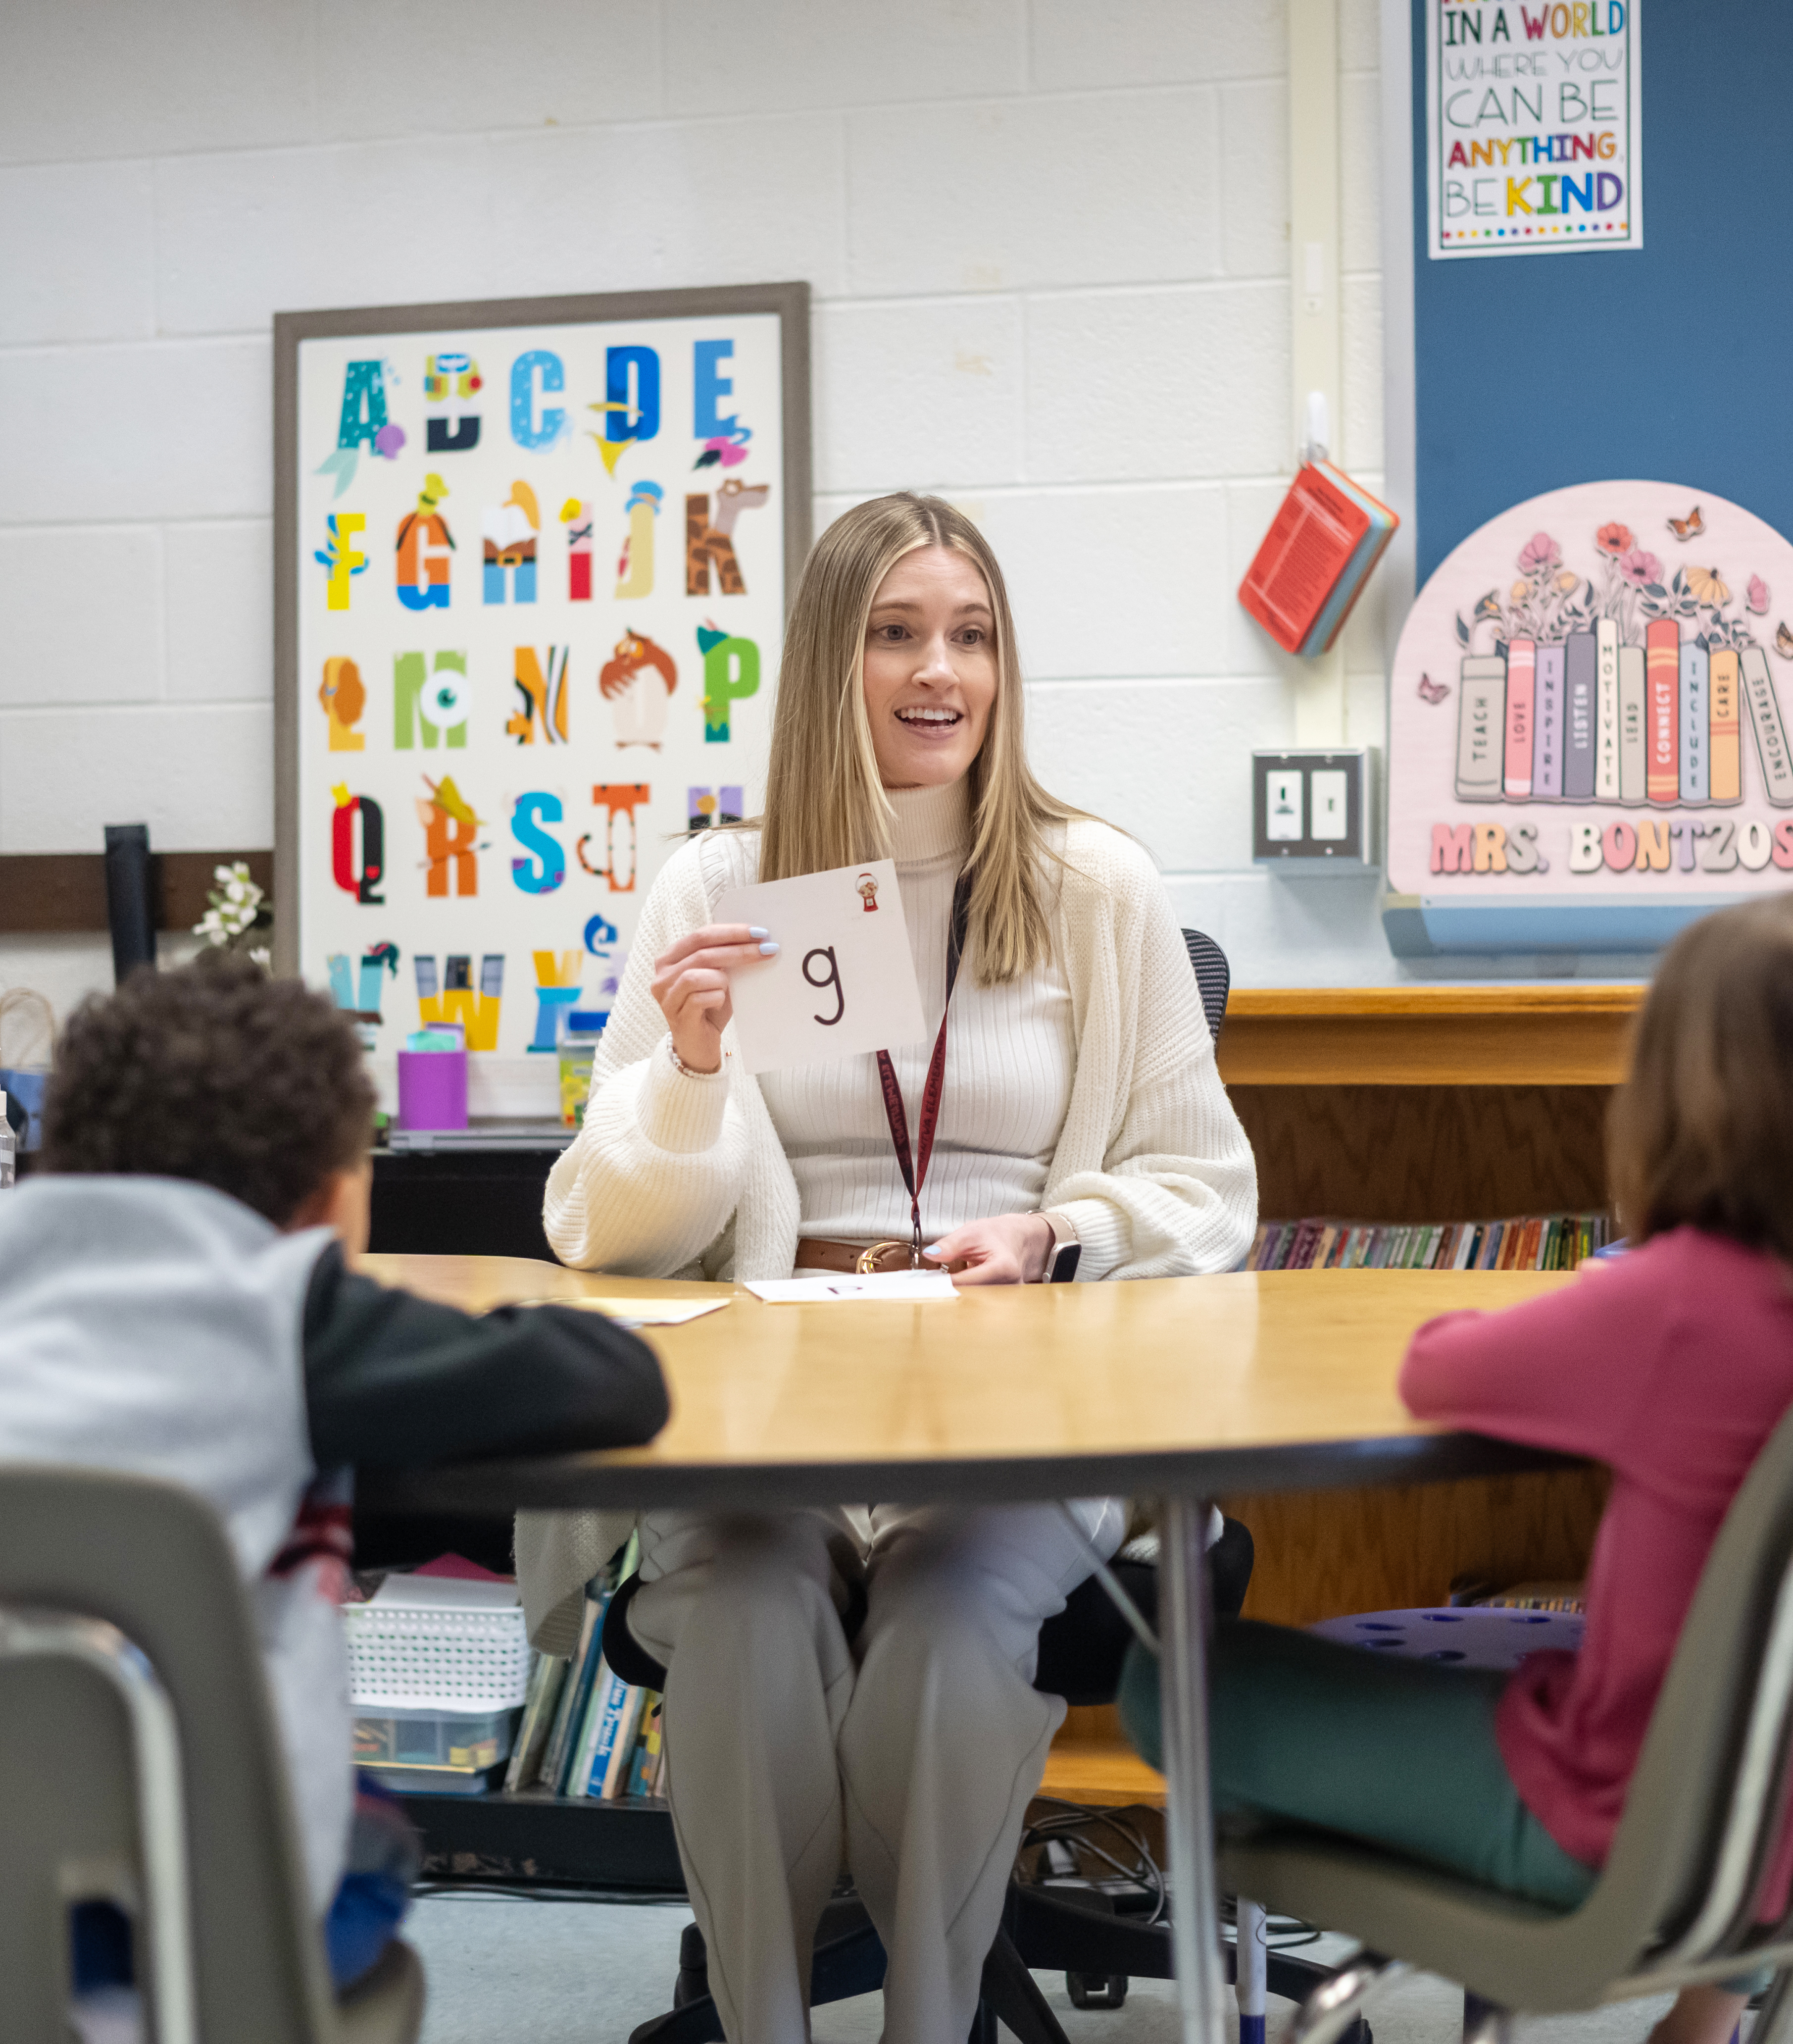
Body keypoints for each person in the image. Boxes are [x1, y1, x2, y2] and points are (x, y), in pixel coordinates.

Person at [535, 492, 1256, 2044]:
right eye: (897, 633)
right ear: (826, 666)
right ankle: (768, 2019)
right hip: (773, 1401)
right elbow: (604, 1231)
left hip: (1016, 1397)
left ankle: (934, 2020)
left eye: (973, 635)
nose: (942, 672)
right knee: (738, 1608)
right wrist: (693, 1072)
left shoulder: (1090, 885)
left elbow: (1207, 1187)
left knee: (941, 1615)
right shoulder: (716, 890)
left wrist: (1061, 1232)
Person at [1123, 890, 1793, 2044]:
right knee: (1746, 1676)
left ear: (1690, 1096)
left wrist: (1612, 1284)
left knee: (1169, 1682)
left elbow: (1437, 1370)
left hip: (1621, 1835)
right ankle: (1705, 2017)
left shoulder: (1678, 1305)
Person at [0, 953, 670, 1997]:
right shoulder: (286, 1314)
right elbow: (613, 1385)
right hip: (164, 1918)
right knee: (371, 1838)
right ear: (330, 1189)